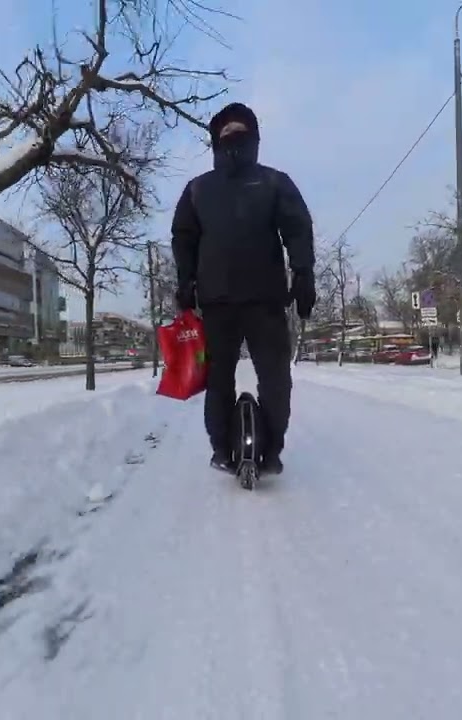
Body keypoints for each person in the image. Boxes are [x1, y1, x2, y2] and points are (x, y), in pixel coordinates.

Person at [170, 102, 316, 475]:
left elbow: (297, 227)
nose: (233, 135)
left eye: (241, 129)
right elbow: (183, 238)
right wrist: (185, 281)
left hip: (265, 300)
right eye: (226, 130)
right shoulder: (198, 190)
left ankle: (270, 449)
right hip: (217, 304)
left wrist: (303, 273)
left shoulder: (273, 182)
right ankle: (221, 447)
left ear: (254, 138)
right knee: (219, 379)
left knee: (276, 379)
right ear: (216, 139)